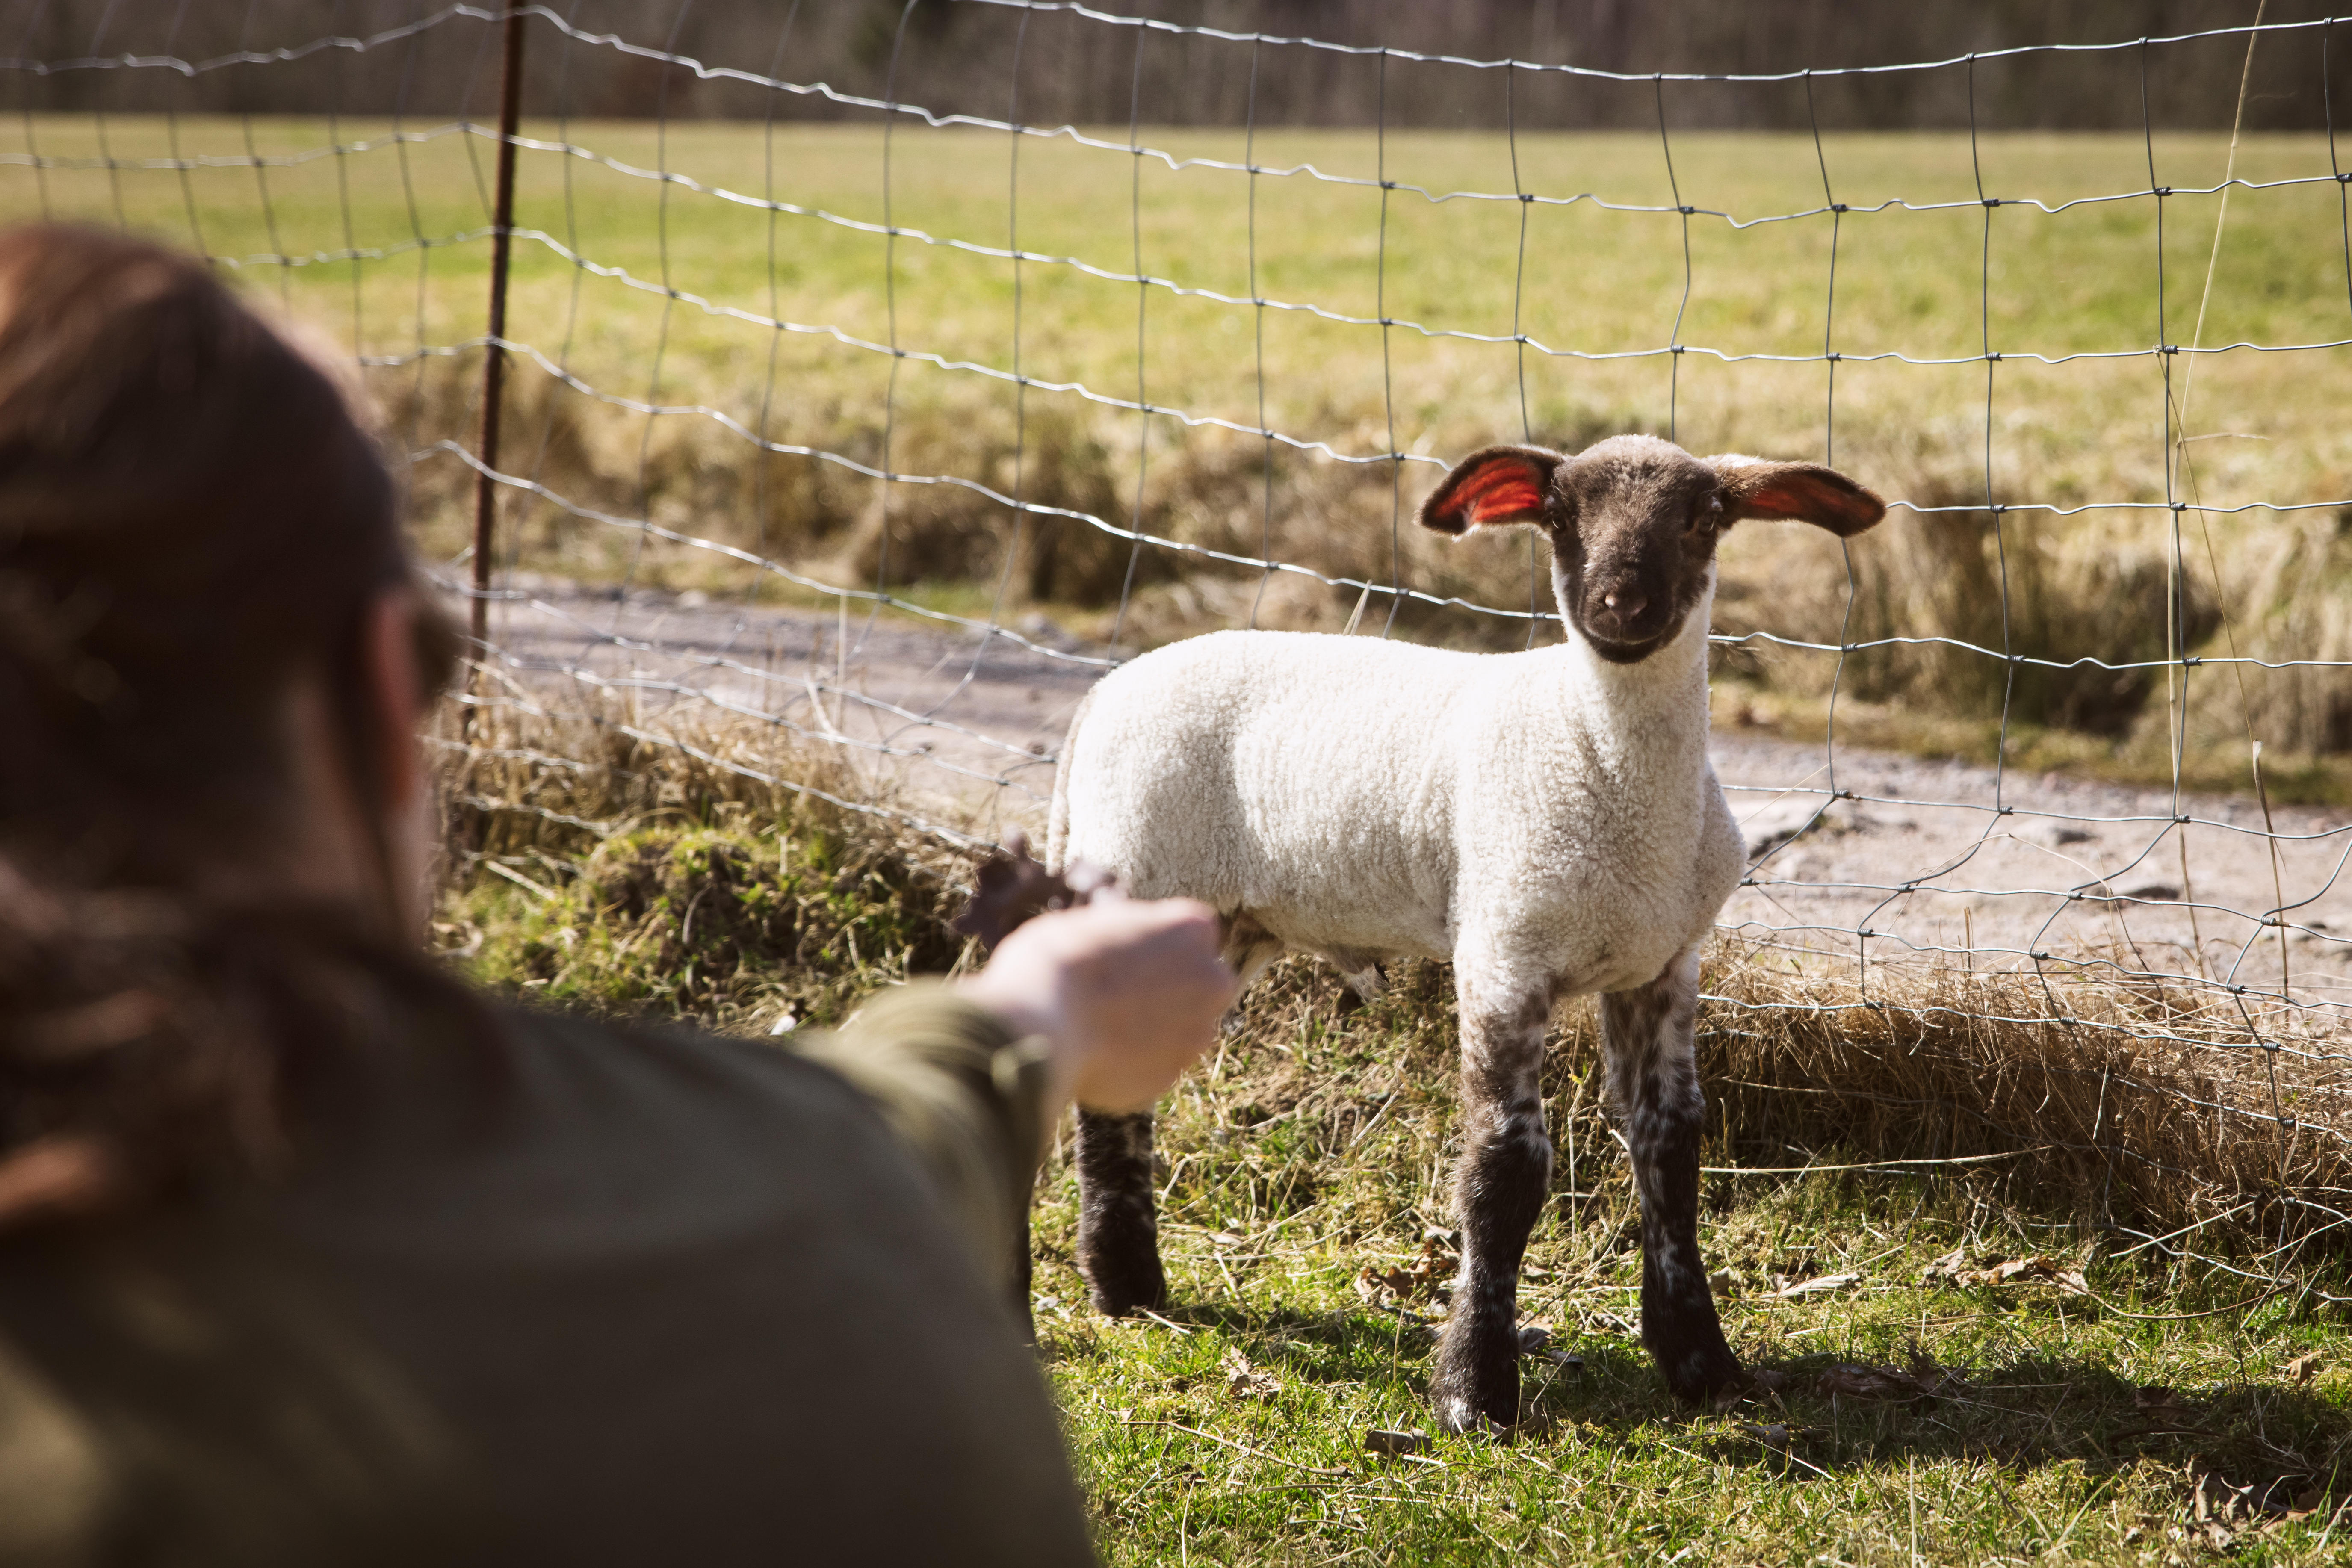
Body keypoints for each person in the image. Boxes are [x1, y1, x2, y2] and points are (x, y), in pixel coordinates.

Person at [0, 224, 1237, 1565]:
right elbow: (830, 1169)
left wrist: (1029, 1012)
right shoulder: (816, 1318)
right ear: (377, 699)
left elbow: (894, 1118)